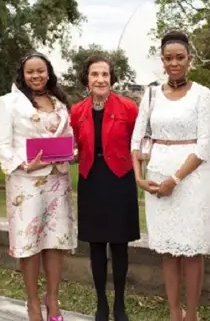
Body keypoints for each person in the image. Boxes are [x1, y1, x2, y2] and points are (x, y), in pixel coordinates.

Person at [131, 31, 210, 321]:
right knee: (168, 250)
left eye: (180, 57)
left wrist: (176, 179)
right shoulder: (152, 93)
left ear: (189, 59)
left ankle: (191, 314)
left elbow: (204, 145)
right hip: (157, 177)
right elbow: (137, 138)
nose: (174, 63)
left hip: (192, 178)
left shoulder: (202, 94)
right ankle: (173, 313)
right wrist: (139, 178)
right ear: (162, 61)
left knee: (191, 251)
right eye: (169, 58)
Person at [0, 52, 76, 321]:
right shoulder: (9, 103)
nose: (37, 76)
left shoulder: (59, 103)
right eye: (31, 72)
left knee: (56, 241)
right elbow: (1, 145)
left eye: (41, 71)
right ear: (23, 74)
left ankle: (52, 299)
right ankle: (32, 303)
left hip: (57, 180)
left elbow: (68, 137)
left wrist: (71, 152)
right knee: (29, 243)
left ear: (48, 72)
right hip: (25, 183)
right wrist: (22, 164)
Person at [70, 55, 140, 321]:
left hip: (119, 180)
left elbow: (139, 143)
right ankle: (101, 304)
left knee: (120, 245)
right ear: (86, 78)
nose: (100, 79)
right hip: (91, 178)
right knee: (96, 246)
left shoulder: (129, 108)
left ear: (112, 78)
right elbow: (73, 145)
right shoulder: (76, 111)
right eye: (94, 74)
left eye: (105, 74)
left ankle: (120, 304)